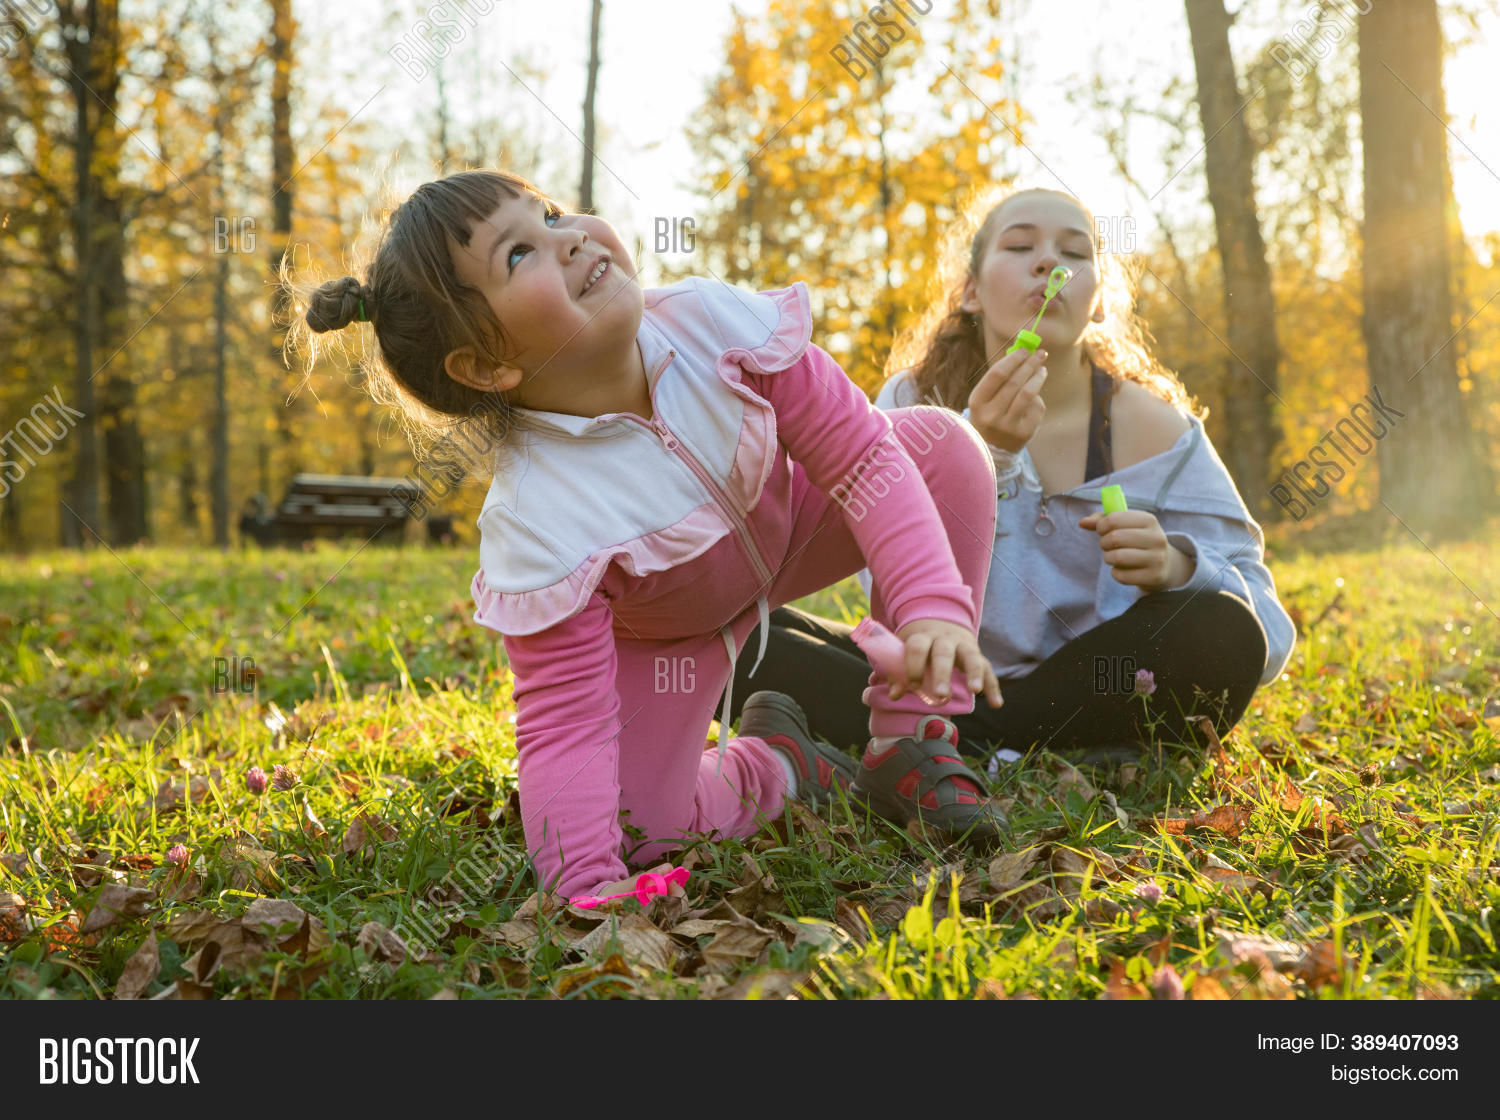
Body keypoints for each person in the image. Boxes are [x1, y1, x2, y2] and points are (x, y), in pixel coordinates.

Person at [288, 169, 1008, 902]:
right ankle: (782, 762)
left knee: (943, 447)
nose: (569, 241)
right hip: (668, 634)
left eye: (554, 215)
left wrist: (930, 607)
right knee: (647, 829)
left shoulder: (715, 328)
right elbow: (564, 723)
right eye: (518, 254)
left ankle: (910, 741)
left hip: (794, 527)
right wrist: (586, 883)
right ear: (487, 365)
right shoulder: (541, 518)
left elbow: (860, 457)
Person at [730, 186, 1295, 767]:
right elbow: (883, 566)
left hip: (1090, 685)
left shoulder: (1156, 428)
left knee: (1223, 630)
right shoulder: (916, 400)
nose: (1049, 263)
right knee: (739, 636)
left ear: (1099, 301)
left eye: (1075, 254)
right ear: (970, 292)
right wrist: (984, 454)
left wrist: (1178, 567)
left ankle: (956, 739)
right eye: (1021, 244)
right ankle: (1037, 746)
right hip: (937, 672)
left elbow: (1267, 632)